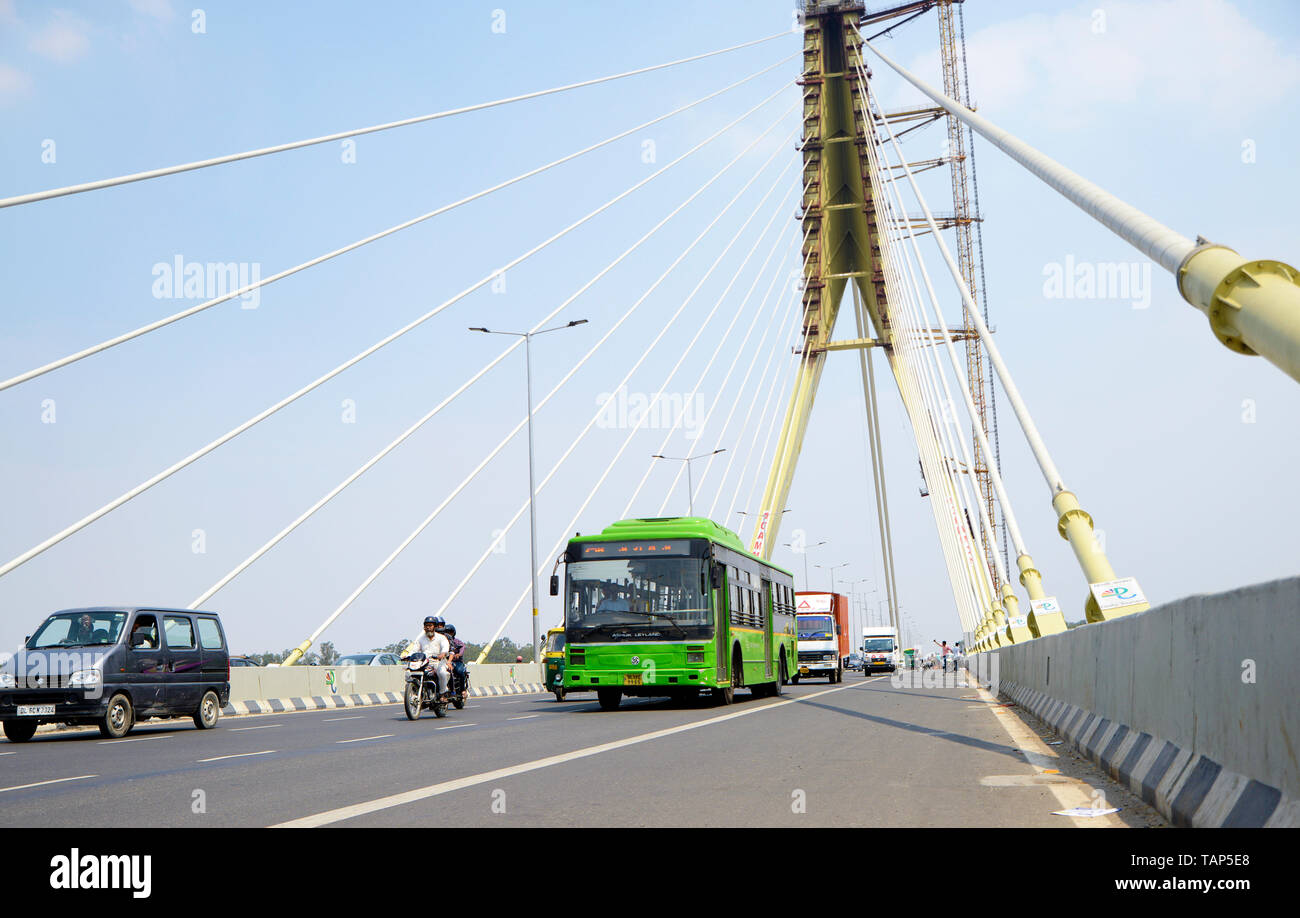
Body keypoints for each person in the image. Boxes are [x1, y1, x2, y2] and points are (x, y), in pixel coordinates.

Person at [409, 616, 451, 699]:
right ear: (424, 627)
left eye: (430, 625)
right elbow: (414, 650)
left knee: (442, 672)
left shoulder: (441, 638)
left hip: (439, 662)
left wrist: (442, 654)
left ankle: (442, 694)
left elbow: (445, 648)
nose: (428, 628)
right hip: (425, 662)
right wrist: (408, 656)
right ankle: (417, 691)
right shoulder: (420, 639)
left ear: (434, 627)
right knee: (410, 672)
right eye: (426, 626)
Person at [444, 624, 468, 700]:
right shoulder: (442, 641)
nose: (448, 634)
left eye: (450, 632)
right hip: (444, 661)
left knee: (459, 671)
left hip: (456, 661)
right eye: (446, 632)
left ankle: (462, 690)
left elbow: (463, 647)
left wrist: (459, 654)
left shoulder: (457, 641)